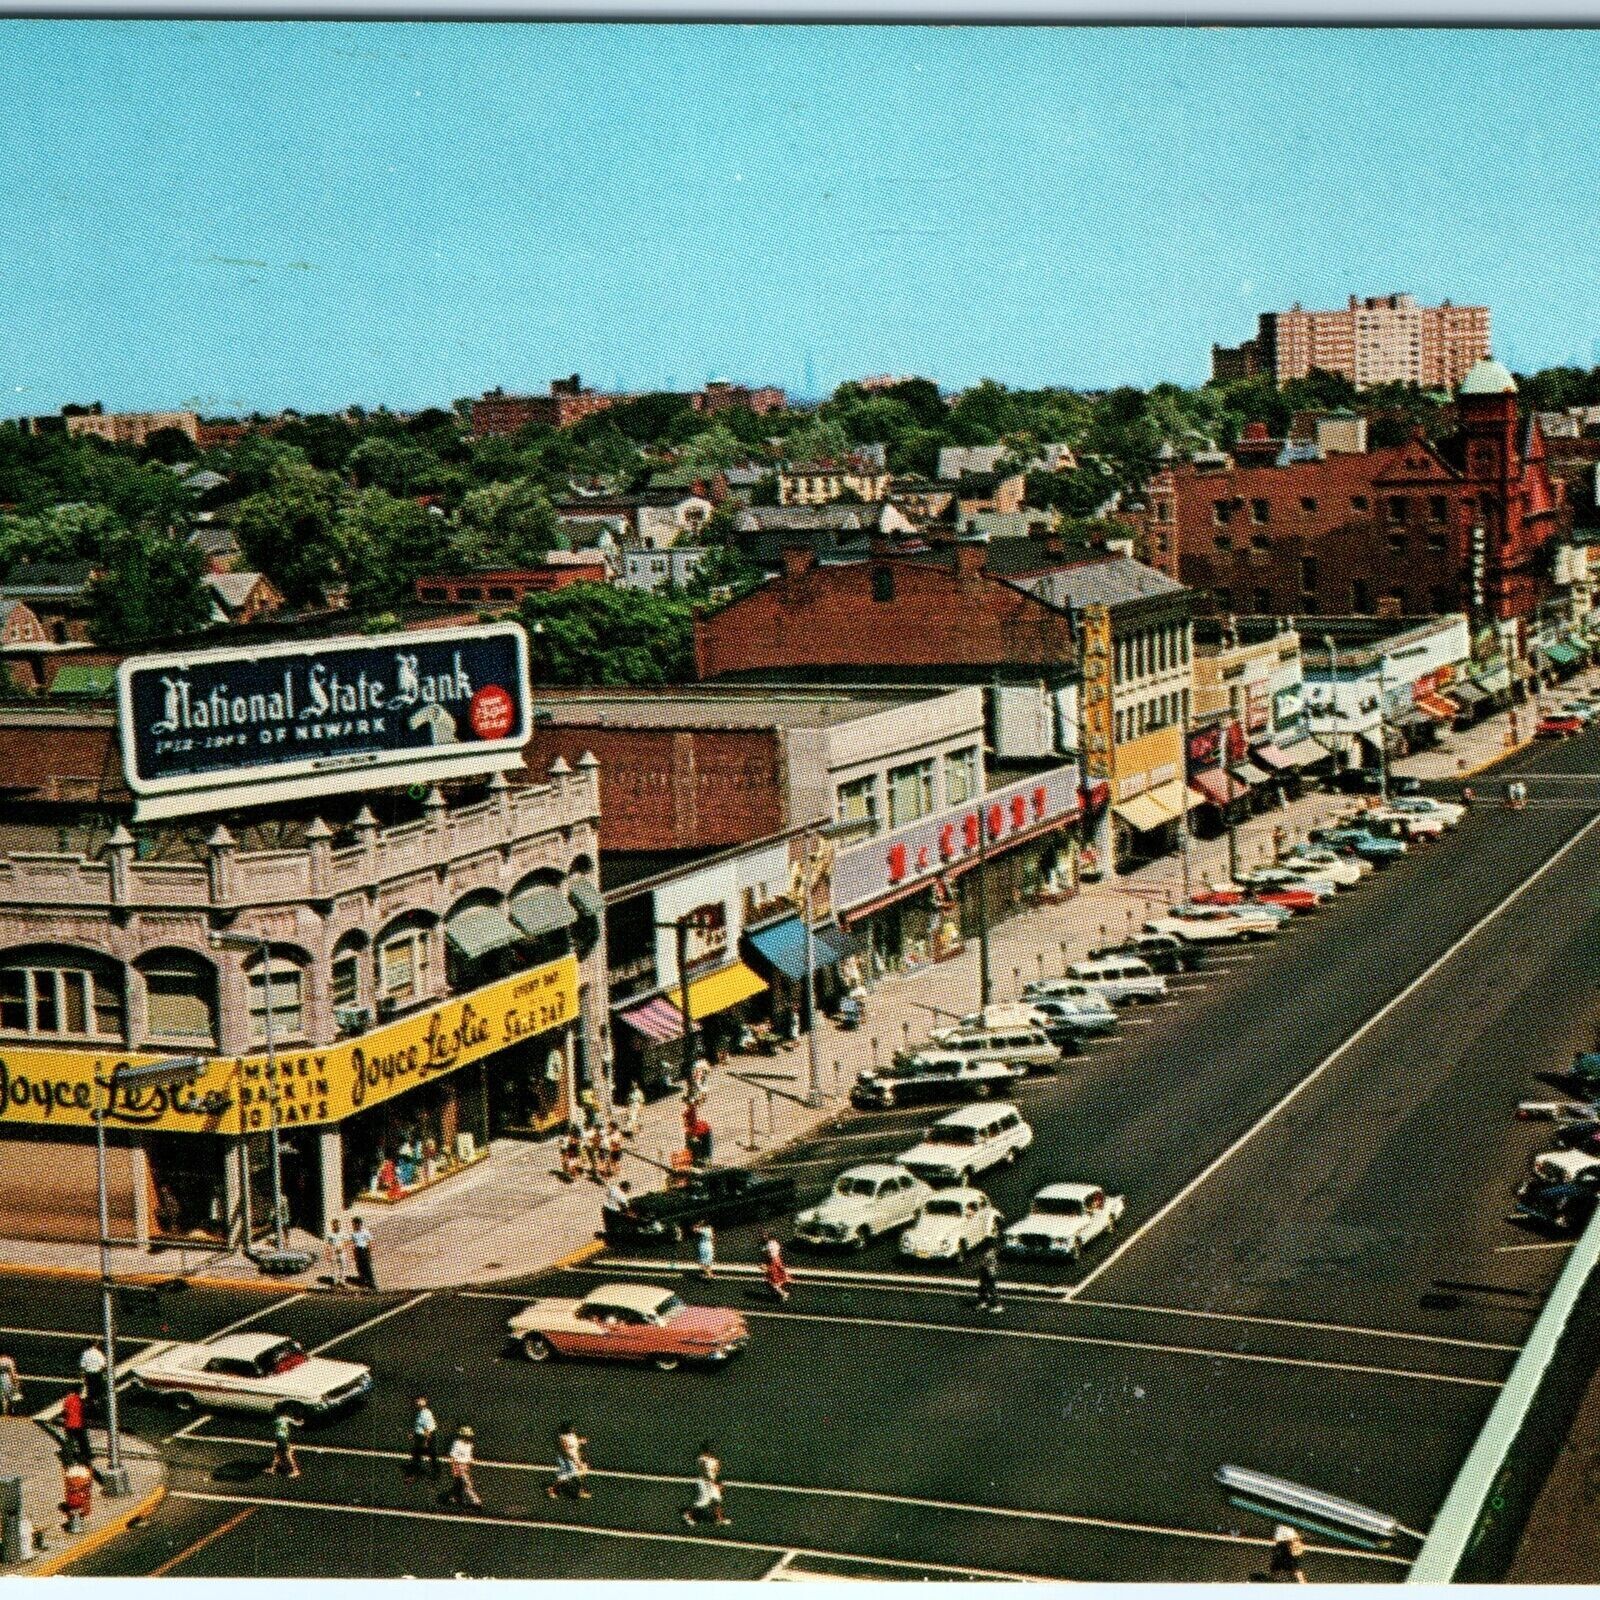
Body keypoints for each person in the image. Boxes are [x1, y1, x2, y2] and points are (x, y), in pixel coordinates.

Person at [683, 1441, 729, 1527]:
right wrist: (711, 1481)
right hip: (704, 1481)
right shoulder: (702, 1458)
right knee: (704, 1501)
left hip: (712, 1482)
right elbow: (702, 1471)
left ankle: (719, 1518)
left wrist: (717, 1483)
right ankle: (688, 1514)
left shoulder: (715, 1460)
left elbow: (716, 1472)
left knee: (718, 1499)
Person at [547, 1422, 592, 1500]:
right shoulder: (567, 1475)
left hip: (569, 1447)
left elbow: (567, 1454)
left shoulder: (564, 1475)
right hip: (570, 1447)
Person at [444, 1425, 482, 1507]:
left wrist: (467, 1465)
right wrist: (454, 1467)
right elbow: (453, 1457)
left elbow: (468, 1457)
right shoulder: (457, 1443)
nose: (469, 1438)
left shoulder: (470, 1445)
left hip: (464, 1466)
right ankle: (476, 1501)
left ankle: (454, 1498)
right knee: (467, 1484)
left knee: (460, 1484)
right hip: (458, 1466)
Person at [406, 1396, 438, 1479]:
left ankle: (434, 1473)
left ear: (424, 1402)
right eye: (417, 1400)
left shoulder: (425, 1413)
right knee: (419, 1455)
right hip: (422, 1437)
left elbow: (427, 1429)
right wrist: (413, 1434)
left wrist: (426, 1441)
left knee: (425, 1455)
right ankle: (418, 1472)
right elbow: (419, 1425)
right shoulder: (421, 1412)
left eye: (419, 1400)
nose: (417, 1402)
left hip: (425, 1437)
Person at [61, 1385, 92, 1466]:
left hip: (69, 1424)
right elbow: (83, 1411)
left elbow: (65, 1411)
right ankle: (86, 1456)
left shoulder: (67, 1399)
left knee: (70, 1442)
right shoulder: (79, 1400)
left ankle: (68, 1459)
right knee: (82, 1441)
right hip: (79, 1424)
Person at [77, 1344, 107, 1418]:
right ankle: (97, 1407)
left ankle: (90, 1408)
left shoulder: (85, 1353)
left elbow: (82, 1365)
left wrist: (82, 1375)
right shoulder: (99, 1353)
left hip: (89, 1374)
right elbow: (104, 1365)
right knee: (97, 1392)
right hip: (97, 1374)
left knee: (90, 1391)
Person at [270, 1410, 302, 1479]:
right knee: (282, 1436)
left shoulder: (285, 1461)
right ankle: (283, 1420)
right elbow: (279, 1456)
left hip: (283, 1446)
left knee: (282, 1436)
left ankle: (282, 1420)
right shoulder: (285, 1461)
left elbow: (283, 1455)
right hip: (283, 1446)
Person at [974, 1241, 1003, 1314]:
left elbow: (990, 1264)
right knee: (982, 1287)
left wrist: (988, 1270)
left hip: (989, 1272)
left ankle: (997, 1305)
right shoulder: (986, 1253)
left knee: (991, 1288)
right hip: (985, 1272)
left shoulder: (990, 1253)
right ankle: (983, 1302)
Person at [762, 1235, 792, 1304]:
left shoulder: (769, 1245)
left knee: (774, 1282)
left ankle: (784, 1293)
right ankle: (781, 1291)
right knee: (773, 1281)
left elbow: (765, 1250)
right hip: (776, 1259)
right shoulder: (775, 1243)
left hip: (773, 1261)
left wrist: (766, 1267)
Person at [351, 1216, 377, 1291]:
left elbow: (370, 1242)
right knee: (360, 1267)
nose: (354, 1226)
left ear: (359, 1224)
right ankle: (363, 1283)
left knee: (367, 1268)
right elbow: (353, 1244)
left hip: (364, 1250)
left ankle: (372, 1284)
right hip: (357, 1250)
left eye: (356, 1224)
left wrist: (369, 1252)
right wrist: (354, 1254)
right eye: (353, 1224)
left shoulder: (365, 1232)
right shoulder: (353, 1233)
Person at [325, 1218, 351, 1286]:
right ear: (332, 1225)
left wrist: (343, 1247)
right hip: (333, 1252)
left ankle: (342, 1281)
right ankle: (335, 1281)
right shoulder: (330, 1234)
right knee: (334, 1267)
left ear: (340, 1225)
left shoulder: (343, 1233)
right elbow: (328, 1244)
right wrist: (328, 1253)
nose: (336, 1225)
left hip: (342, 1252)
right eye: (334, 1224)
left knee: (343, 1267)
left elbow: (348, 1241)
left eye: (337, 1224)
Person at [0, 1350, 21, 1417]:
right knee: (9, 1396)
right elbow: (12, 1372)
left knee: (3, 1396)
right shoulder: (9, 1360)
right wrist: (16, 1382)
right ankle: (8, 1413)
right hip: (7, 1378)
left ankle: (3, 1413)